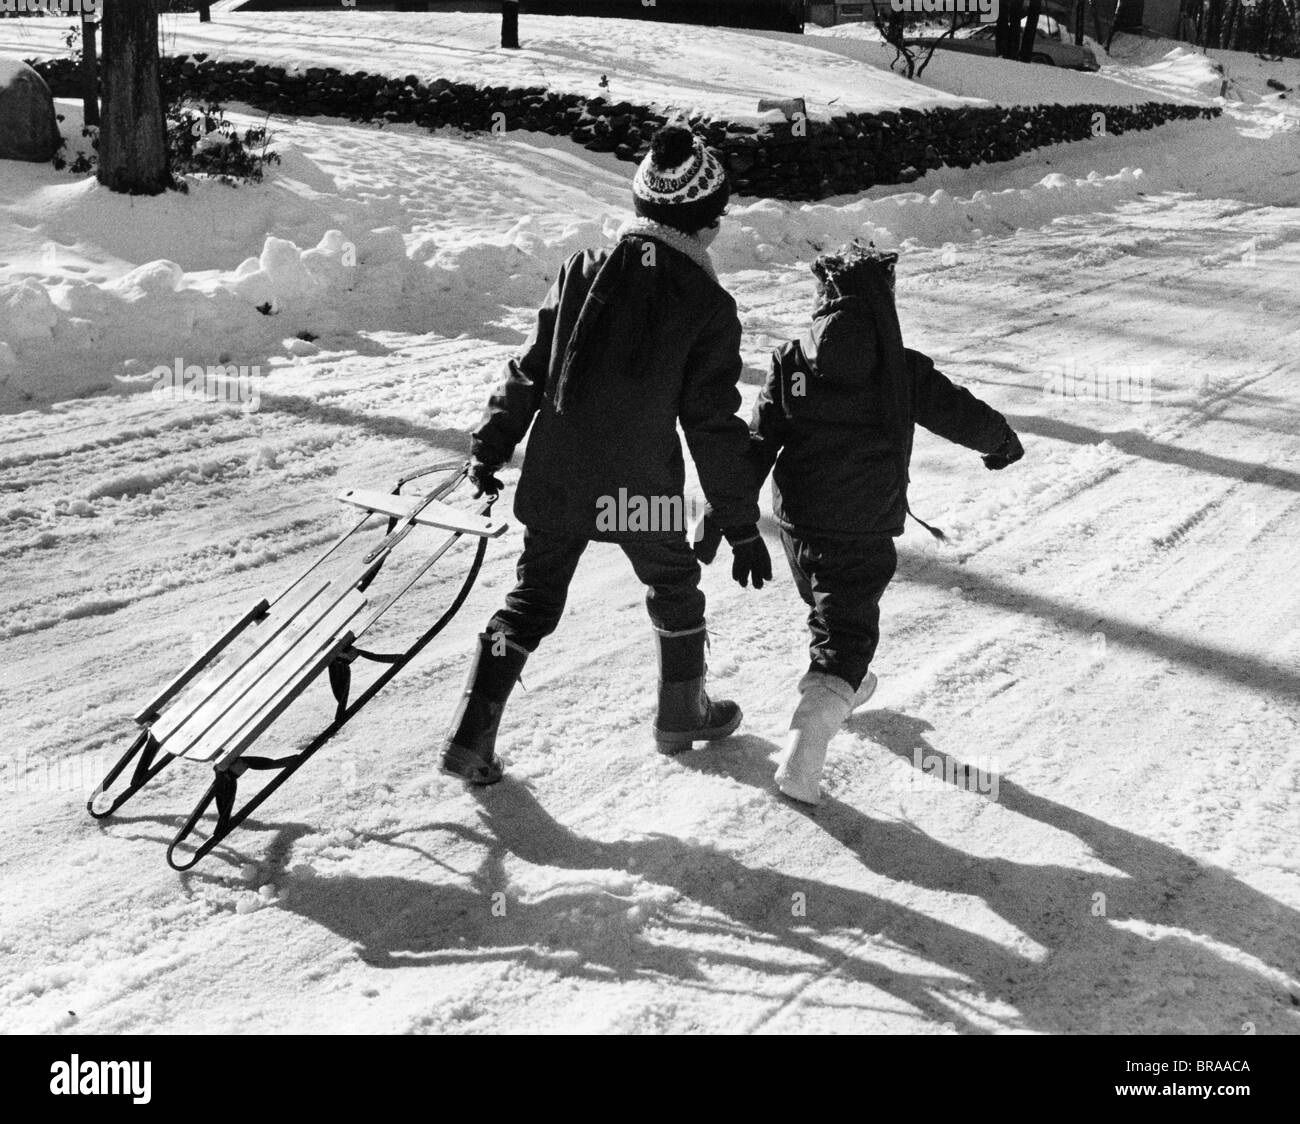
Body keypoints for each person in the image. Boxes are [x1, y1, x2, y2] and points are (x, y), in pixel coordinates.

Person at [441, 123, 772, 786]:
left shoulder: (582, 271)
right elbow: (711, 426)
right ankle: (683, 711)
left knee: (531, 602)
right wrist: (738, 522)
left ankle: (471, 736)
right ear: (705, 221)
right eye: (718, 217)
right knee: (673, 587)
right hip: (638, 491)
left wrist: (491, 444)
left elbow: (530, 370)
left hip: (559, 477)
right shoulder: (708, 304)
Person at [700, 241, 1024, 804]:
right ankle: (805, 752)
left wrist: (722, 509)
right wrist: (1001, 442)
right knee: (843, 637)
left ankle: (850, 683)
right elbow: (958, 410)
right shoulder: (899, 367)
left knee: (831, 615)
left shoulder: (791, 362)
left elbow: (757, 443)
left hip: (798, 526)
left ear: (822, 297)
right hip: (862, 529)